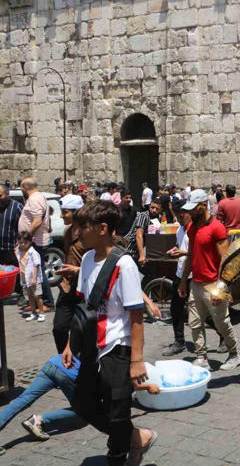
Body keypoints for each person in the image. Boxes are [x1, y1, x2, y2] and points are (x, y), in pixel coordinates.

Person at [61, 200, 157, 466]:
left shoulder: (124, 264)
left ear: (102, 228)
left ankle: (118, 456)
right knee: (83, 403)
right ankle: (138, 437)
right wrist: (71, 343)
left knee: (117, 413)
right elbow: (84, 306)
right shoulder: (89, 258)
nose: (77, 232)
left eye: (83, 227)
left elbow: (136, 316)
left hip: (118, 346)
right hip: (93, 345)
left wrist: (136, 361)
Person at [0, 354, 160, 456]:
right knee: (85, 413)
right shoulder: (118, 358)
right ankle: (40, 420)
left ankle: (38, 420)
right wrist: (147, 386)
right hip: (70, 375)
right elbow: (119, 383)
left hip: (53, 363)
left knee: (23, 400)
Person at [178, 189, 240, 371]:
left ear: (202, 205)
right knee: (195, 323)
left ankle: (234, 354)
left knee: (222, 323)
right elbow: (190, 255)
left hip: (213, 283)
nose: (189, 213)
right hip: (195, 282)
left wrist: (221, 287)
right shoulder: (191, 227)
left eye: (193, 209)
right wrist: (183, 281)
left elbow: (225, 260)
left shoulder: (217, 228)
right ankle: (201, 356)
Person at [52, 194, 87, 353]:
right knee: (59, 328)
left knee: (84, 330)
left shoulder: (89, 233)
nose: (61, 215)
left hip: (85, 288)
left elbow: (98, 264)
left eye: (65, 212)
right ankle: (64, 361)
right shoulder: (67, 232)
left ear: (77, 212)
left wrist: (78, 270)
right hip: (67, 287)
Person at [18, 178, 54, 310]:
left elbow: (37, 221)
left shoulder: (34, 199)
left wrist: (25, 239)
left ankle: (48, 303)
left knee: (38, 272)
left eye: (21, 187)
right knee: (33, 271)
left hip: (35, 241)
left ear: (25, 187)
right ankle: (35, 302)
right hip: (35, 240)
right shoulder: (39, 197)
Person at [163, 198, 191, 356]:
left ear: (188, 213)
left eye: (181, 216)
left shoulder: (194, 229)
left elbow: (196, 251)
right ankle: (179, 341)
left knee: (204, 312)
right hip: (180, 273)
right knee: (176, 309)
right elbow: (181, 247)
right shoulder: (181, 230)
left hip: (193, 275)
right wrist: (176, 250)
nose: (179, 220)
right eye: (177, 216)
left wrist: (183, 252)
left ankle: (223, 337)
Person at [123, 198, 161, 267]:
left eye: (157, 209)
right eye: (152, 207)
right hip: (130, 248)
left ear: (160, 210)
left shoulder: (159, 218)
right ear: (149, 206)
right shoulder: (143, 216)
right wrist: (142, 255)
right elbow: (139, 235)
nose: (154, 210)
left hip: (141, 249)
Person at [16, 231, 44, 322]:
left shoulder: (33, 252)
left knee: (37, 296)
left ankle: (41, 313)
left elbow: (36, 265)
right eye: (21, 242)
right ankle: (33, 313)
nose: (23, 244)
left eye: (25, 242)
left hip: (33, 279)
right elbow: (19, 259)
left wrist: (34, 278)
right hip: (25, 278)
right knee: (30, 296)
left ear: (30, 242)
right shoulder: (20, 252)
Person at [0, 185, 23, 295]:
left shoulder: (17, 206)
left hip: (12, 247)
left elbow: (24, 226)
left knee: (16, 272)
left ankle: (20, 293)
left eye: (0, 195)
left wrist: (20, 242)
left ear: (8, 194)